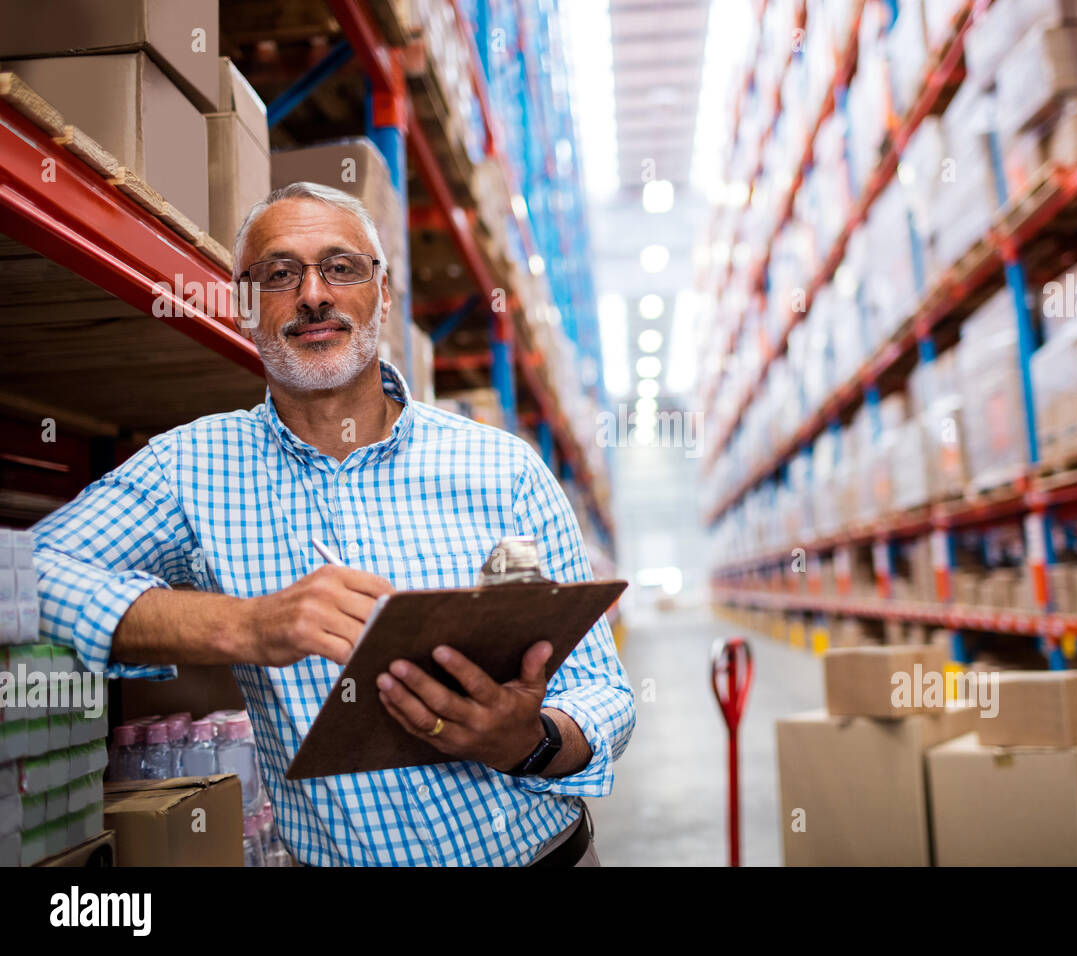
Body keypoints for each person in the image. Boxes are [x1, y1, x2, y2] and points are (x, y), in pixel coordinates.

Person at [31, 182, 634, 866]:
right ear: (244, 306)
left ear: (381, 292)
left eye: (341, 267)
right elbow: (22, 577)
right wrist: (244, 625)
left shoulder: (502, 468)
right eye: (280, 274)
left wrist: (529, 740)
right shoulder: (189, 468)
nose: (313, 294)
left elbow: (605, 692)